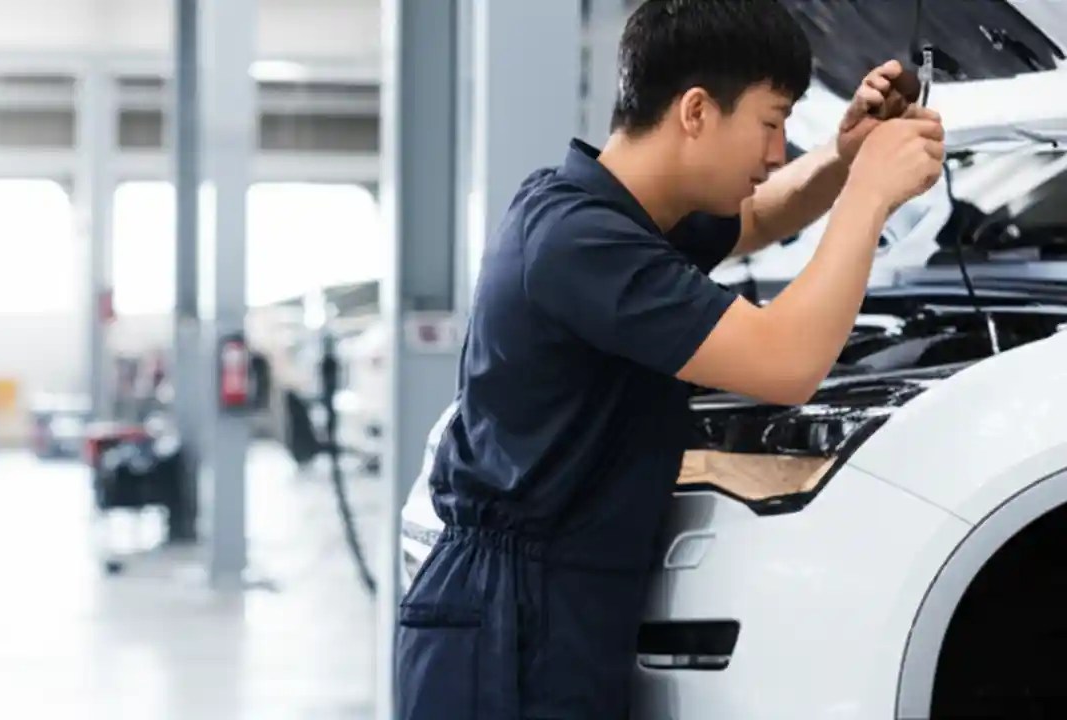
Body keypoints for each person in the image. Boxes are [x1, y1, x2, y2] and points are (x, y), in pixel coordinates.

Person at [394, 1, 945, 718]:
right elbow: (787, 362)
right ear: (695, 111)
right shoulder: (581, 245)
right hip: (510, 631)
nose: (777, 151)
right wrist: (870, 193)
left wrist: (842, 160)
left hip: (552, 608)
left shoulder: (598, 214)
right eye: (771, 122)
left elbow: (754, 217)